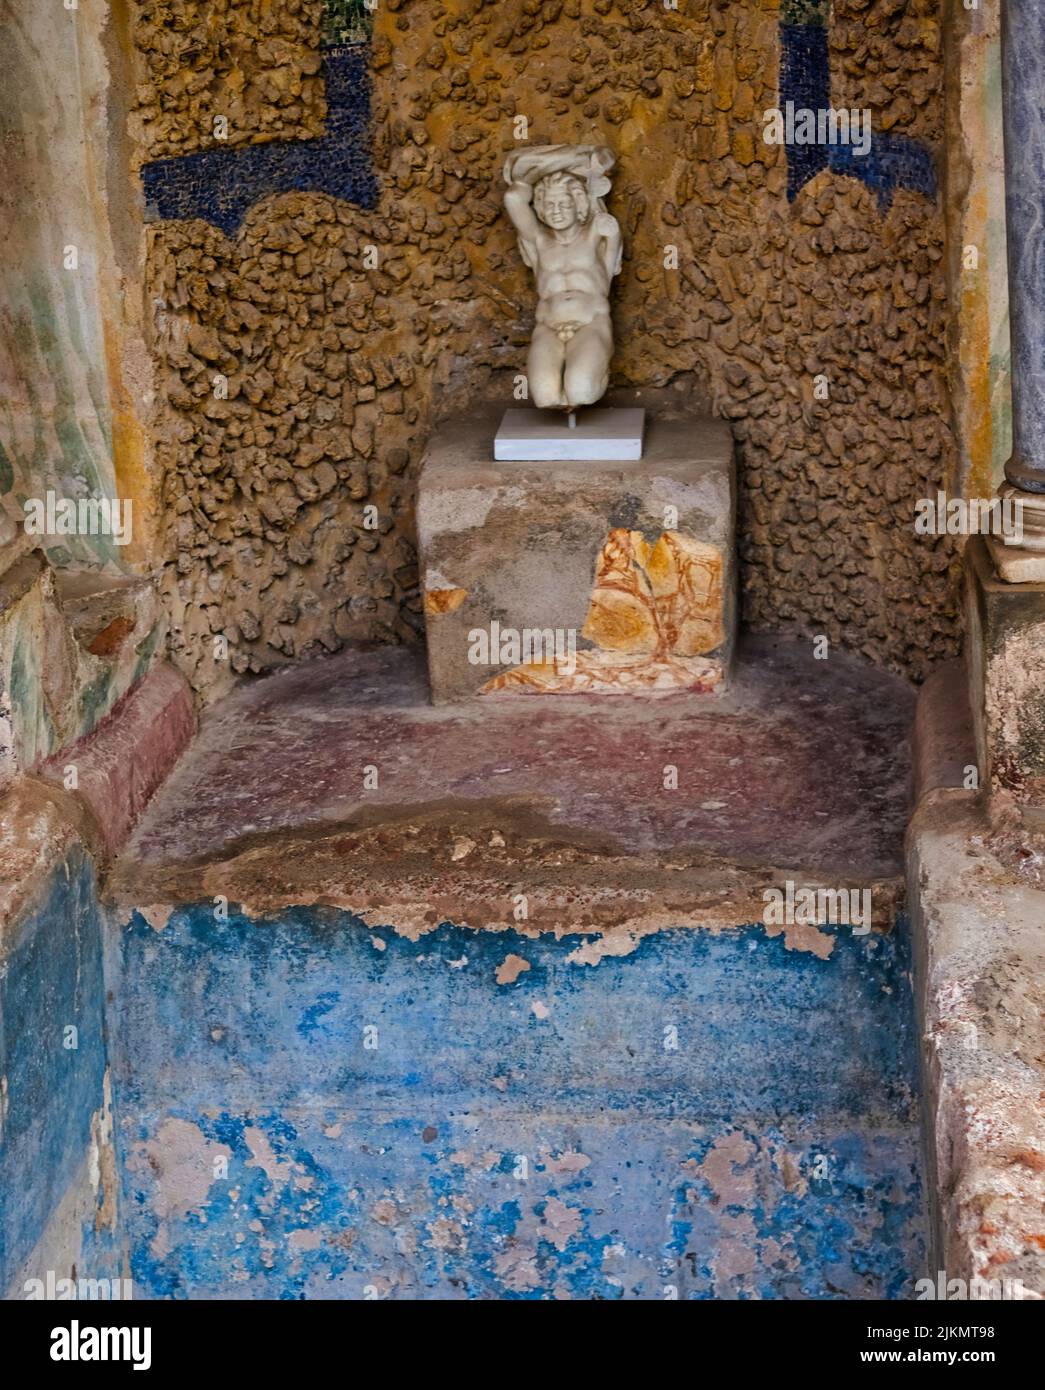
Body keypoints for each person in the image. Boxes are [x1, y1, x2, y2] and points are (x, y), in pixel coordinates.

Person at [503, 144, 622, 411]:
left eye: (564, 203)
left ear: (578, 203)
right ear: (541, 207)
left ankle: (592, 375)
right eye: (549, 203)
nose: (556, 210)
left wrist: (590, 166)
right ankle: (570, 384)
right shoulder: (538, 241)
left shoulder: (596, 233)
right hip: (548, 327)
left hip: (590, 323)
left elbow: (605, 161)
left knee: (580, 392)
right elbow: (513, 197)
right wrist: (546, 166)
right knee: (546, 398)